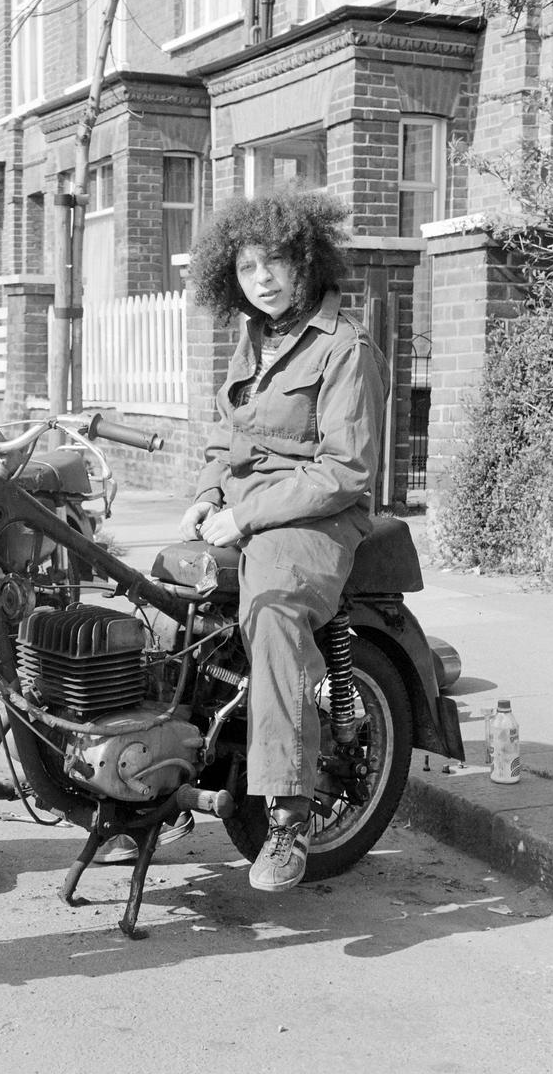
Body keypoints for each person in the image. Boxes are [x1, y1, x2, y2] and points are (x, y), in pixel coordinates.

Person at [181, 187, 388, 892]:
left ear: (308, 260)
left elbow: (344, 470)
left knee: (269, 611)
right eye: (246, 268)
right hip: (247, 505)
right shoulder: (256, 337)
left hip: (318, 516)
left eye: (275, 262)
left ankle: (288, 821)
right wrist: (209, 491)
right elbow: (227, 436)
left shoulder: (344, 348)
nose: (262, 279)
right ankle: (155, 783)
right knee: (164, 595)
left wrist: (245, 516)